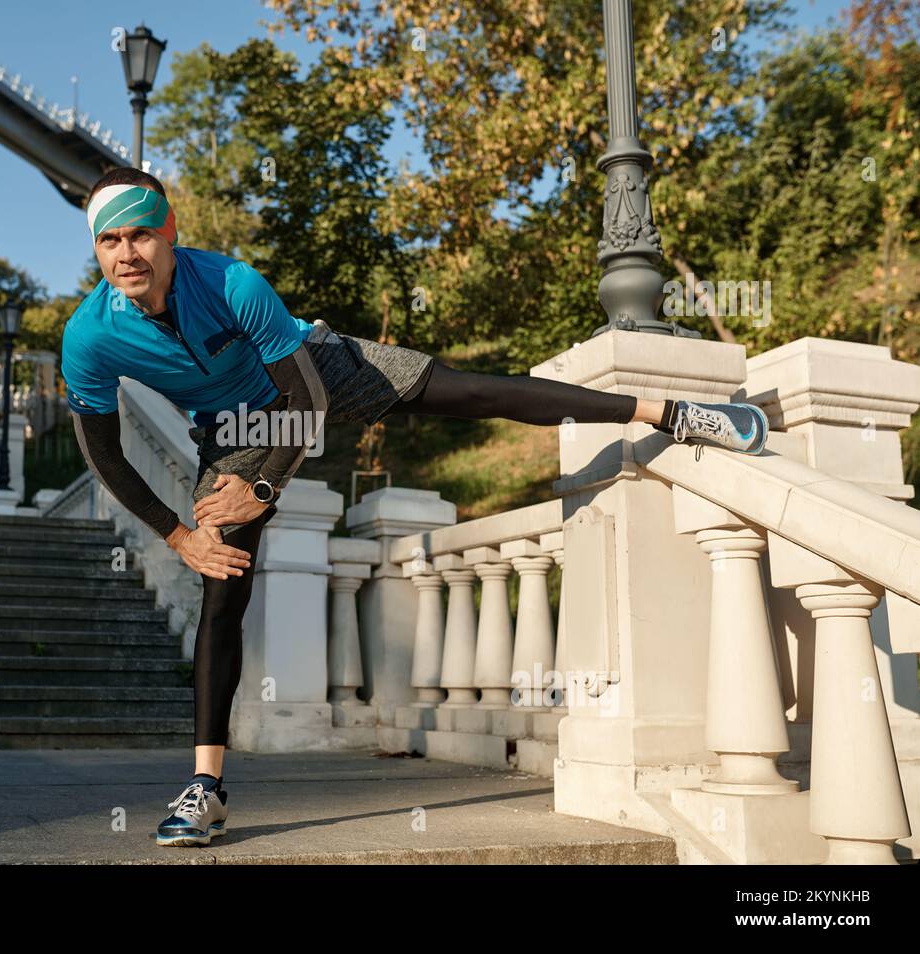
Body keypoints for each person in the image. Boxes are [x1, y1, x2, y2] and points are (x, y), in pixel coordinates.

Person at [61, 167, 769, 848]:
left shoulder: (233, 283)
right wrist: (179, 534)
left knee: (474, 392)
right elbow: (105, 455)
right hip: (236, 429)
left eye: (142, 235)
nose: (128, 254)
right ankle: (205, 787)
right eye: (110, 242)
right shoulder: (89, 338)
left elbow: (305, 401)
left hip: (310, 370)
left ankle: (669, 411)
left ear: (170, 231)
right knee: (221, 586)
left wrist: (265, 489)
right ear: (97, 249)